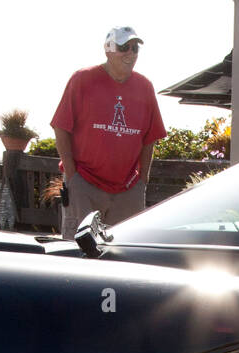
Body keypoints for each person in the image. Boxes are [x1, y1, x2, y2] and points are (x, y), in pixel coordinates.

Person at [51, 26, 167, 239]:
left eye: (135, 48)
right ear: (108, 50)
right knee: (78, 252)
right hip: (84, 184)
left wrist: (142, 181)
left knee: (126, 252)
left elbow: (149, 138)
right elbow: (61, 127)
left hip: (128, 190)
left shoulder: (145, 87)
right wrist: (73, 177)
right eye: (124, 47)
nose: (130, 53)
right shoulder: (82, 79)